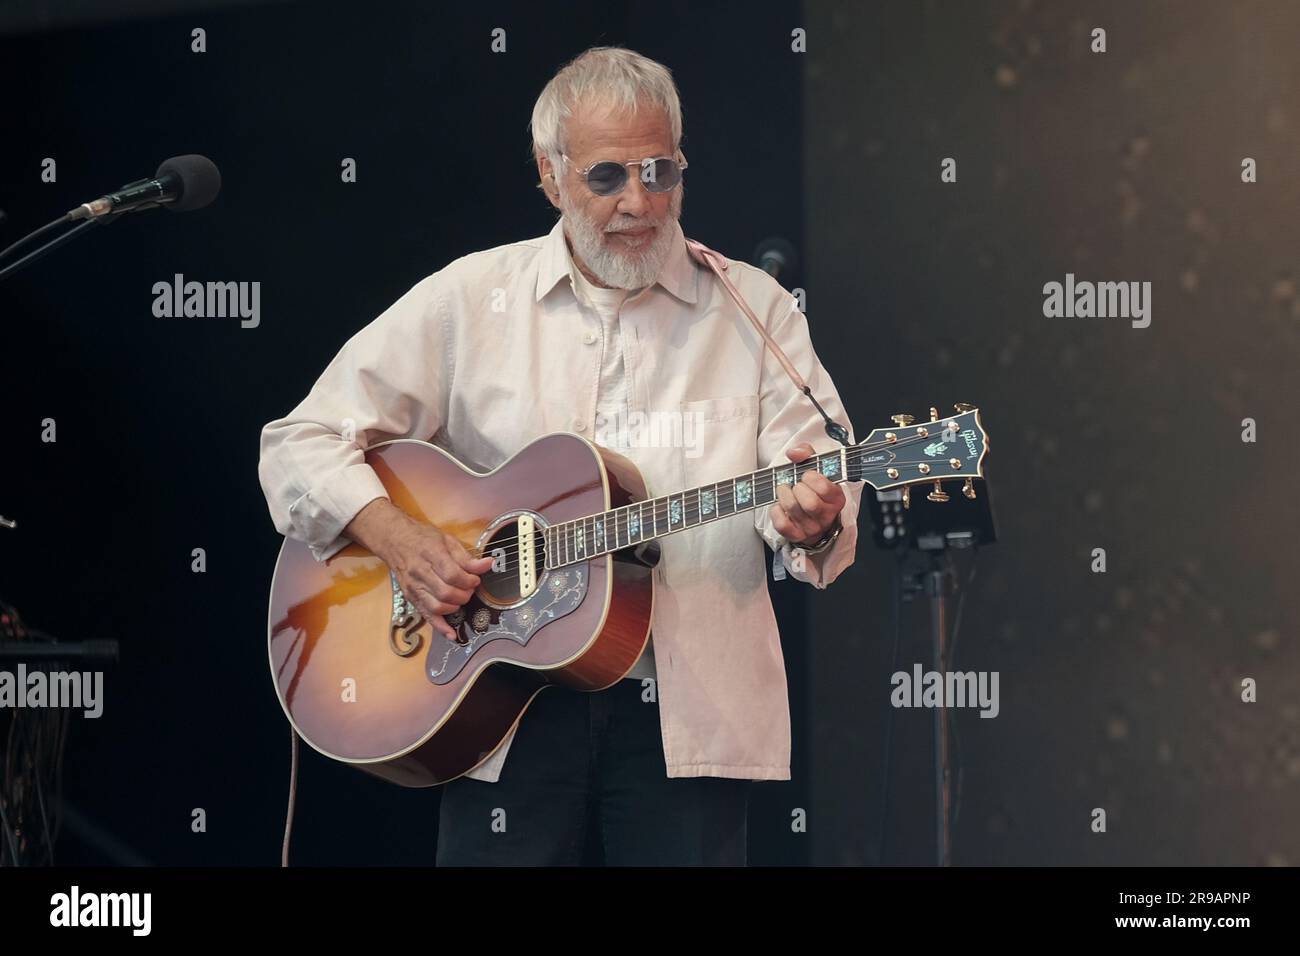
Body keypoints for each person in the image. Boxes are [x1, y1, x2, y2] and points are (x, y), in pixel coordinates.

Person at [258, 46, 861, 866]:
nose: (640, 202)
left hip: (683, 717)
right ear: (550, 174)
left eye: (661, 172)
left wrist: (815, 522)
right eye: (608, 177)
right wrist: (400, 539)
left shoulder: (753, 310)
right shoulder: (471, 299)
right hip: (499, 706)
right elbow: (298, 443)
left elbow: (820, 480)